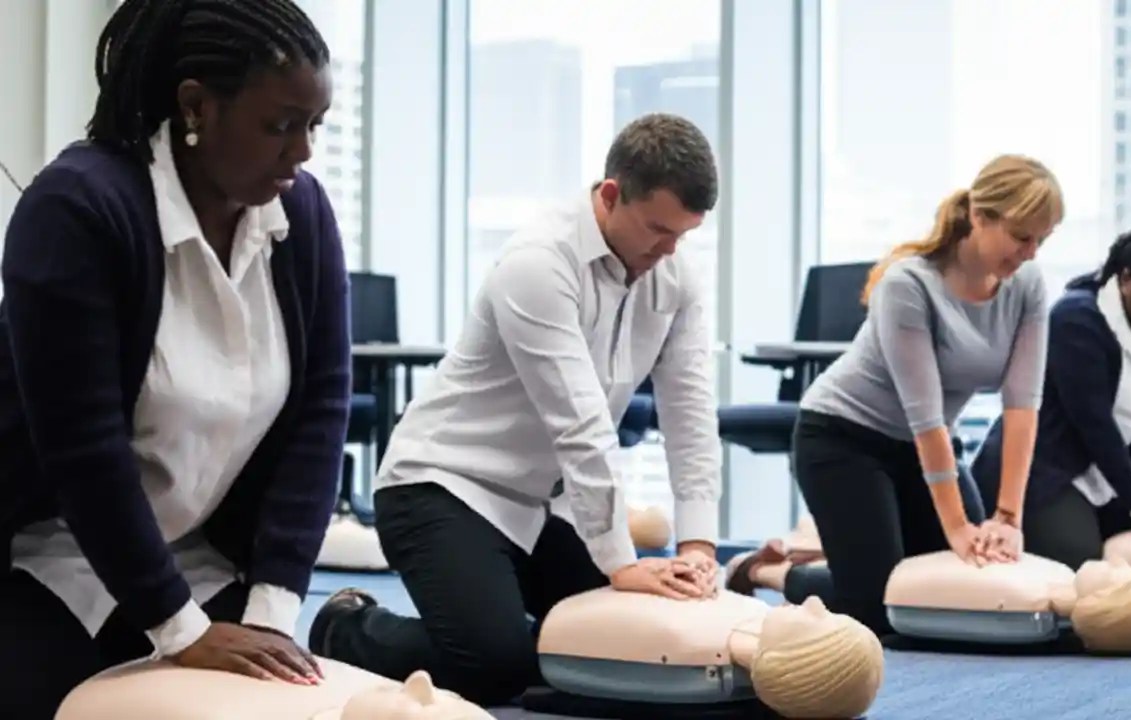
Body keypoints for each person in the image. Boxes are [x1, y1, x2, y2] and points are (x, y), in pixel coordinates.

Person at [0, 1, 349, 717]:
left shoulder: (302, 214)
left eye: (314, 126)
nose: (304, 152)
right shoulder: (78, 208)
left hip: (196, 554)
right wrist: (177, 628)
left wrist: (272, 609)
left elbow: (321, 410)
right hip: (46, 551)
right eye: (280, 126)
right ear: (197, 107)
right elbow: (84, 450)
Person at [309, 113, 723, 706]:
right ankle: (347, 627)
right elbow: (581, 424)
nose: (670, 250)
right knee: (496, 667)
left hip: (544, 506)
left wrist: (698, 547)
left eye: (683, 234)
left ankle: (514, 628)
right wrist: (620, 563)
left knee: (624, 641)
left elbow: (690, 412)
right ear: (611, 195)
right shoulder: (537, 264)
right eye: (658, 229)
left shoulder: (675, 273)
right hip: (444, 488)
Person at [790, 154, 1064, 638]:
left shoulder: (1027, 285)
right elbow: (926, 419)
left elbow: (1022, 406)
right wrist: (957, 528)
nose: (1031, 253)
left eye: (1042, 240)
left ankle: (836, 551)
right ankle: (773, 570)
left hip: (926, 452)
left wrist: (1007, 518)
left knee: (966, 585)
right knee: (882, 610)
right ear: (979, 216)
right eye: (1022, 237)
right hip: (844, 439)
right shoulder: (908, 284)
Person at [972, 224, 1131, 572]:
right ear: (1126, 279)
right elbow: (1095, 427)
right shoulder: (1076, 320)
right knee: (1080, 557)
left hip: (1108, 468)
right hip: (1044, 469)